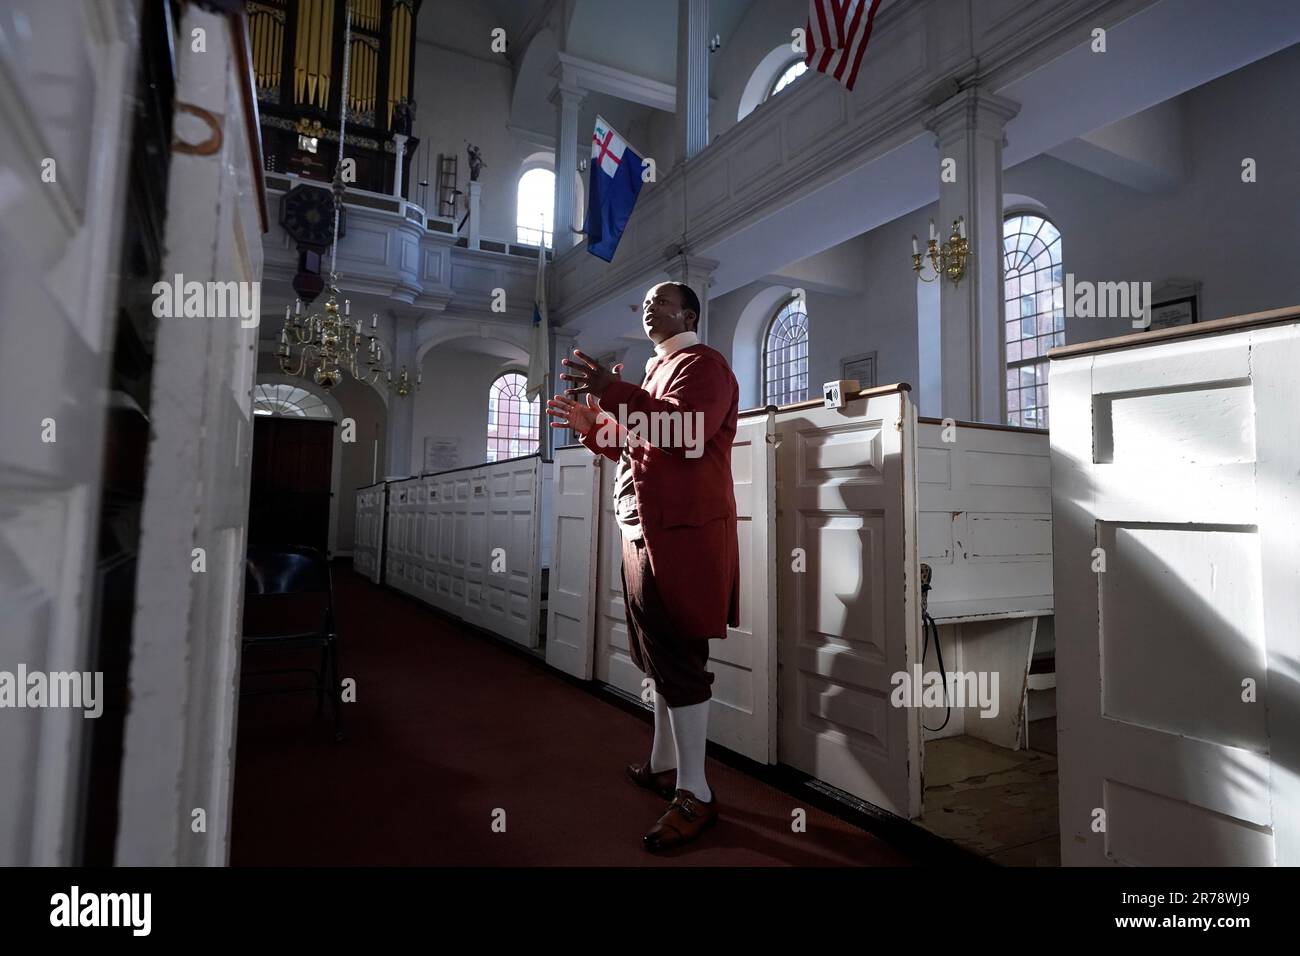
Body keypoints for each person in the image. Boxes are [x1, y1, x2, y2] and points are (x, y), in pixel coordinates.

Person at [546, 281, 739, 851]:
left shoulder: (704, 364)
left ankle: (696, 792)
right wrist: (594, 426)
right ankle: (661, 764)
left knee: (680, 656)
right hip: (643, 525)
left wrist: (613, 391)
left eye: (662, 300)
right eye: (645, 302)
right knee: (652, 653)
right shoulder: (656, 371)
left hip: (683, 533)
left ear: (690, 312)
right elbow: (640, 440)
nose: (649, 306)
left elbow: (686, 433)